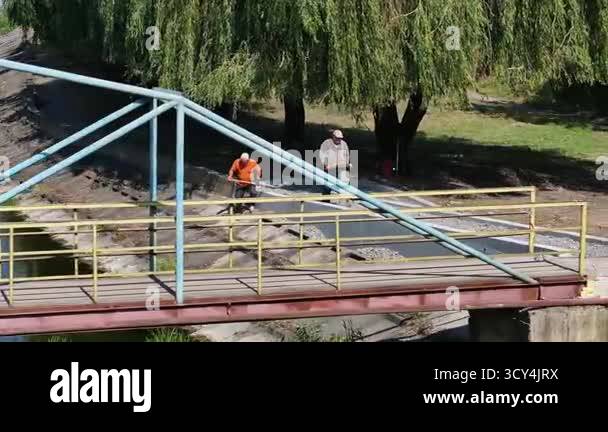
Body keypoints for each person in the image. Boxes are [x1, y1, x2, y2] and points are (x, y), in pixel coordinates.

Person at [319, 129, 351, 195]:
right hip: (329, 169)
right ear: (333, 136)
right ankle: (326, 202)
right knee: (327, 187)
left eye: (340, 138)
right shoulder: (326, 144)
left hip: (341, 168)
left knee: (344, 185)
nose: (339, 140)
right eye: (337, 138)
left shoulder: (344, 144)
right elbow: (322, 156)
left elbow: (347, 157)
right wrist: (326, 164)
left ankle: (343, 201)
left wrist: (343, 164)